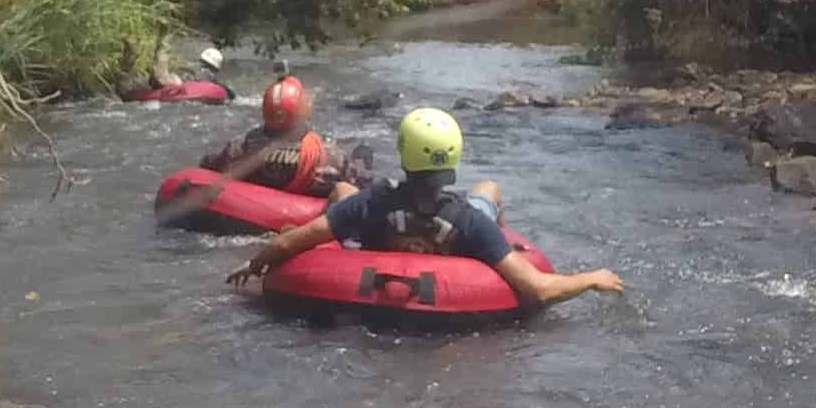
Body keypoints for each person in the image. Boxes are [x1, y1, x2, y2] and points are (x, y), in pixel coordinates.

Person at [226, 107, 624, 308]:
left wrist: (255, 263)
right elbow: (537, 289)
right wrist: (590, 277)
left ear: (403, 152)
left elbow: (291, 242)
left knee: (344, 190)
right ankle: (507, 239)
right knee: (489, 189)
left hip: (372, 232)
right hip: (464, 238)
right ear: (452, 159)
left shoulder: (373, 202)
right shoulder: (470, 222)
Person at [198, 76, 372, 196]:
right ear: (302, 111)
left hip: (250, 213)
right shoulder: (327, 156)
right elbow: (360, 184)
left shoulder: (240, 147)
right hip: (302, 216)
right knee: (363, 153)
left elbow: (208, 166)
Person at [115, 36, 229, 99]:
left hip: (174, 81)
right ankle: (161, 48)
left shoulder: (191, 66)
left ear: (201, 59)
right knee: (164, 80)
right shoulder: (210, 77)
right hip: (176, 84)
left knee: (129, 86)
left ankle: (134, 54)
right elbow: (225, 90)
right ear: (216, 68)